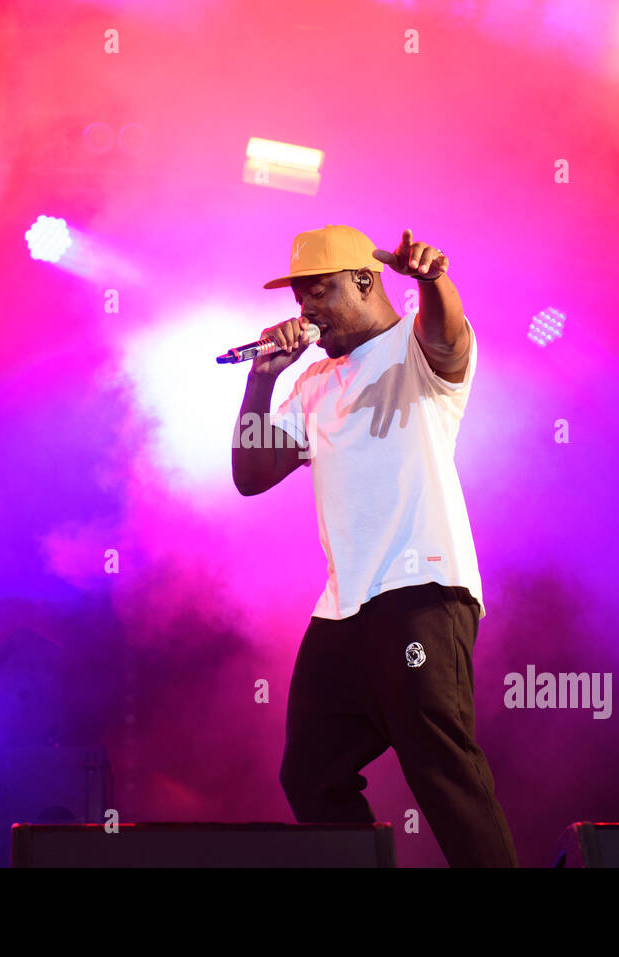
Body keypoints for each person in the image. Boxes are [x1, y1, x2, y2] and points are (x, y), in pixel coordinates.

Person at [231, 224, 518, 867]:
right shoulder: (313, 383)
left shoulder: (415, 346)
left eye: (320, 291)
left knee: (439, 764)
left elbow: (447, 336)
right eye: (300, 295)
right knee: (310, 774)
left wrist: (434, 281)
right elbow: (251, 476)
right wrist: (262, 379)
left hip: (421, 589)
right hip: (343, 609)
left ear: (365, 281)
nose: (306, 308)